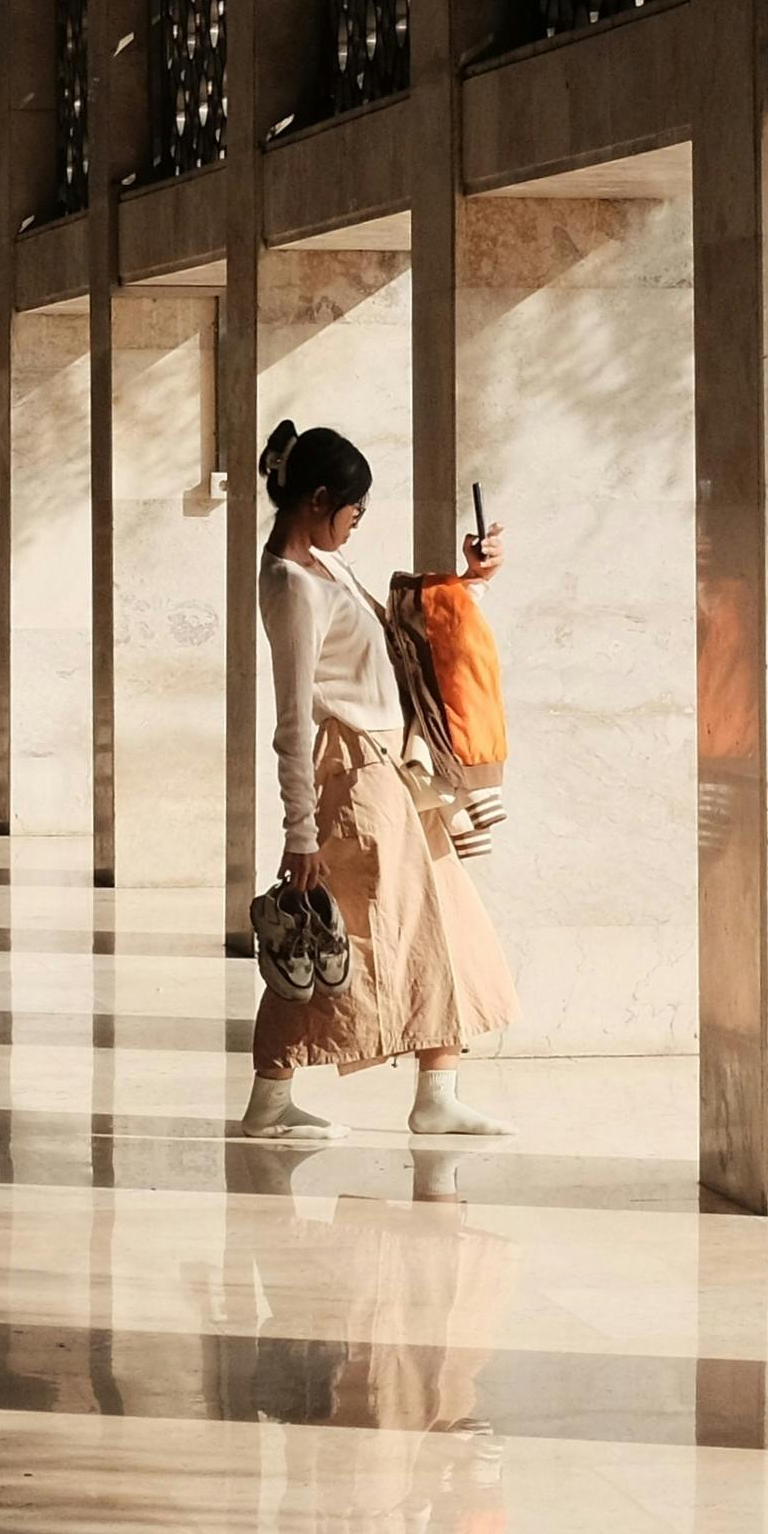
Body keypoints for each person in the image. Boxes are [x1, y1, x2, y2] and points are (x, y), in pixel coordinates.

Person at [247, 422, 518, 1142]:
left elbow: (393, 651)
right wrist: (298, 832)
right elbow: (292, 719)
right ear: (319, 498)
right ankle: (269, 1099)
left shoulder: (328, 567)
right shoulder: (290, 584)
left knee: (437, 926)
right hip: (352, 776)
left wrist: (466, 586)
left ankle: (437, 1090)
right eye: (353, 511)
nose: (356, 524)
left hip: (391, 771)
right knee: (341, 939)